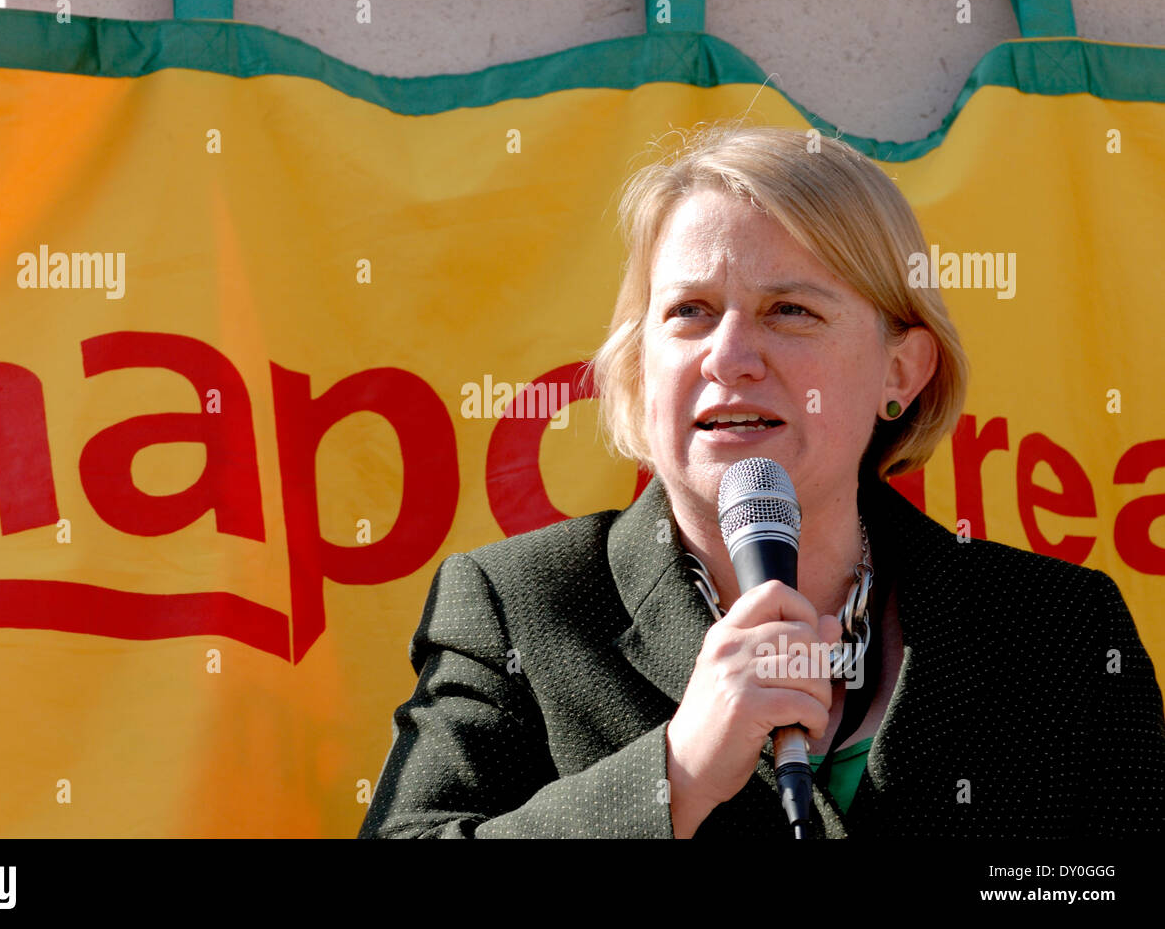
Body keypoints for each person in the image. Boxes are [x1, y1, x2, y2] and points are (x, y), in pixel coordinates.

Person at [358, 123, 1165, 838]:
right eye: (691, 311)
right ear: (642, 364)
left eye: (790, 310)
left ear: (903, 368)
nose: (729, 357)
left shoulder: (1060, 628)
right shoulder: (518, 606)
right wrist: (674, 777)